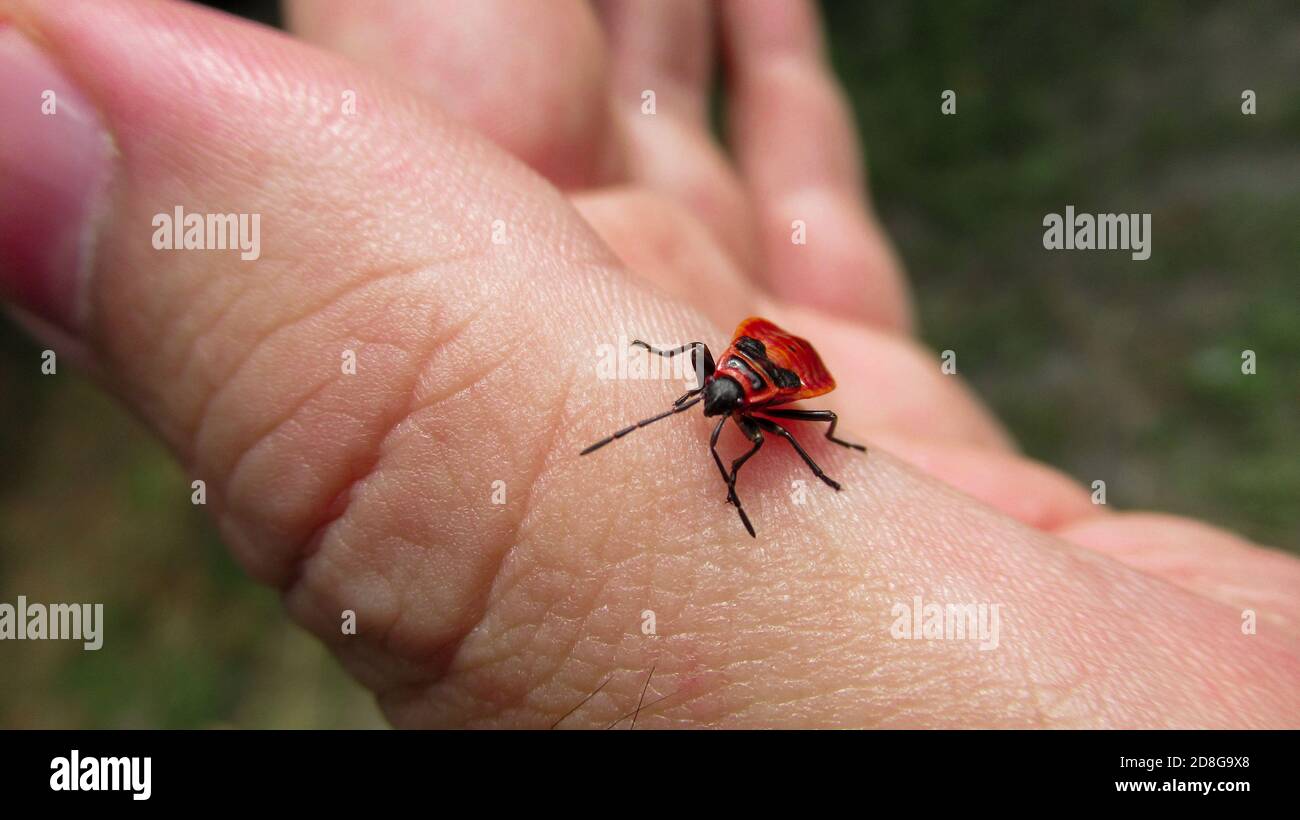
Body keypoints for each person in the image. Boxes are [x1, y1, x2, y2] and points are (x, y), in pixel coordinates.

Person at [0, 0, 1295, 728]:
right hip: (778, 354)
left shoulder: (767, 397)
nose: (713, 408)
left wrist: (789, 444)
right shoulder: (725, 375)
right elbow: (711, 374)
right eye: (715, 399)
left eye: (721, 401)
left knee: (801, 446)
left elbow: (779, 407)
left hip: (803, 375)